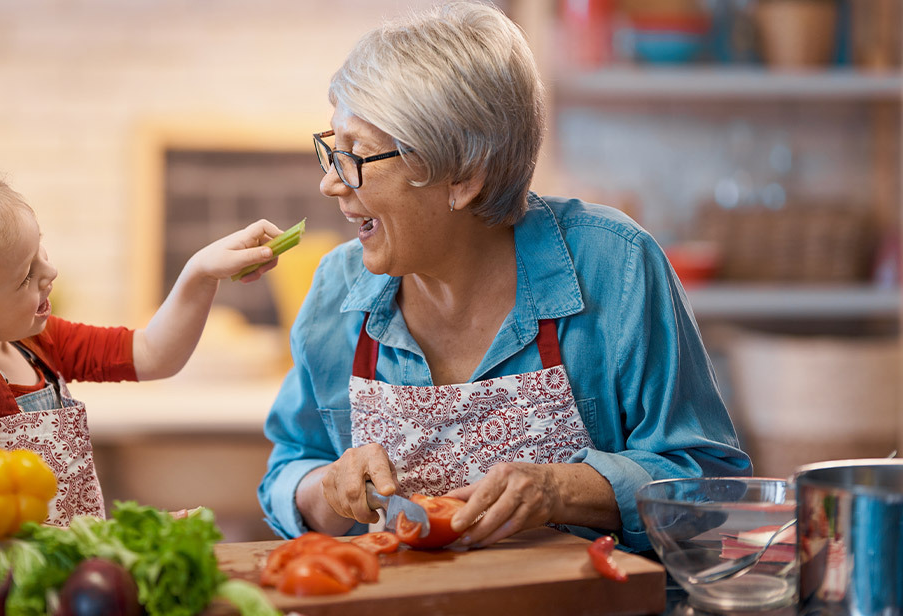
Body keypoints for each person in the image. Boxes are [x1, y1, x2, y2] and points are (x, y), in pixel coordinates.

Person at [257, 0, 751, 551]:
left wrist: (562, 490)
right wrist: (326, 488)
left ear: (464, 175)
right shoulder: (337, 289)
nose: (330, 183)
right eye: (332, 148)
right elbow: (288, 469)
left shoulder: (616, 265)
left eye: (357, 157)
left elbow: (708, 484)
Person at [0, 133, 283, 526]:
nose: (51, 272)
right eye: (25, 275)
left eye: (41, 250)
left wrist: (200, 273)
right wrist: (118, 540)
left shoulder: (30, 340)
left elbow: (153, 354)